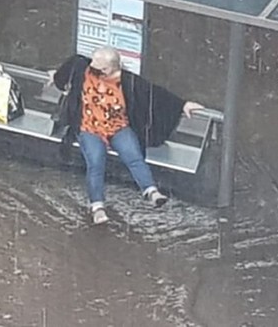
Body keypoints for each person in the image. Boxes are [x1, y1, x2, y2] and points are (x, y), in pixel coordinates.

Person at [51, 47, 204, 225]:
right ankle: (97, 207)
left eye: (98, 67)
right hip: (89, 128)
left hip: (118, 128)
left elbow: (154, 93)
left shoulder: (128, 81)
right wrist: (56, 78)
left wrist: (182, 105)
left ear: (110, 68)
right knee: (95, 162)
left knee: (134, 156)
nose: (92, 68)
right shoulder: (81, 68)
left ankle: (151, 191)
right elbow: (63, 76)